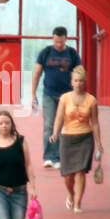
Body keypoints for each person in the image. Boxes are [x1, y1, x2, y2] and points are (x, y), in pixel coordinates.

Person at [49, 66, 102, 213]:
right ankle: (71, 194)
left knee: (80, 172)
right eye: (76, 81)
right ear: (71, 82)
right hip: (67, 137)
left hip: (85, 137)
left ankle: (78, 203)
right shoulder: (65, 98)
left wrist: (99, 142)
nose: (78, 83)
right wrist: (55, 133)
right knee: (68, 174)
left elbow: (95, 122)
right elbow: (59, 117)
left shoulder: (91, 100)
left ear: (85, 83)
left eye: (81, 81)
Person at [30, 27, 82, 169]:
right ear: (53, 39)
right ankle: (48, 157)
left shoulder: (72, 53)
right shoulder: (45, 53)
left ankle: (60, 157)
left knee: (65, 126)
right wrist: (33, 93)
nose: (58, 44)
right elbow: (37, 73)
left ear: (66, 39)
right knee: (49, 126)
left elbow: (79, 73)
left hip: (67, 96)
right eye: (56, 41)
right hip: (49, 94)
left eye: (61, 41)